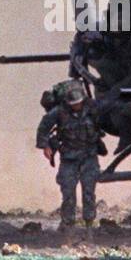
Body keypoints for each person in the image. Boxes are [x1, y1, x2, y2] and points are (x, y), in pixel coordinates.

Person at [36, 80, 106, 228]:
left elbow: (110, 109)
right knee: (68, 193)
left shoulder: (92, 107)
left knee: (89, 193)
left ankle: (89, 224)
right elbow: (44, 126)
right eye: (73, 103)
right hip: (69, 158)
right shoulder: (60, 111)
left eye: (78, 103)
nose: (76, 106)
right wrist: (45, 146)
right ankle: (68, 224)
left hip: (89, 156)